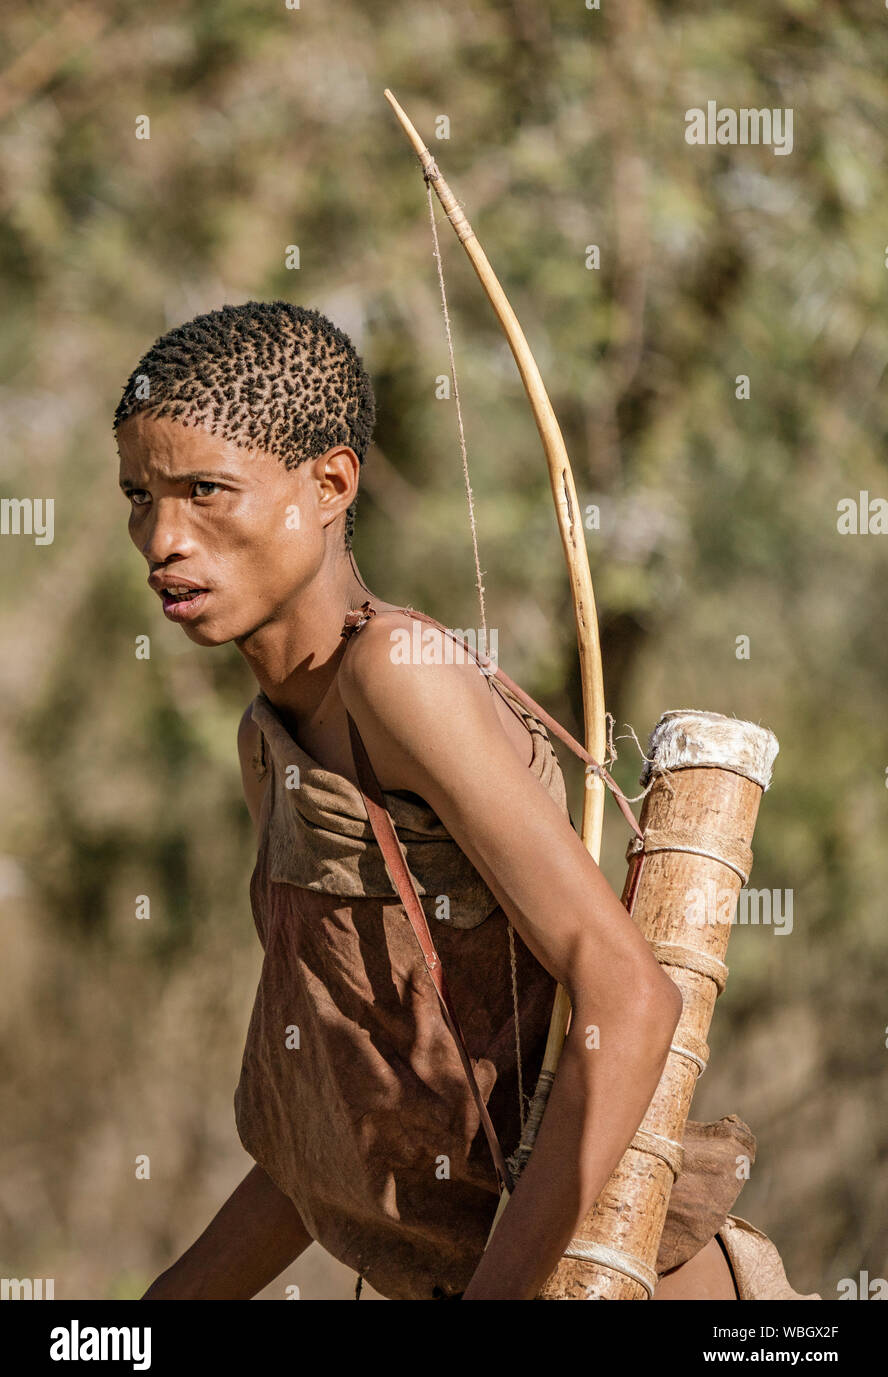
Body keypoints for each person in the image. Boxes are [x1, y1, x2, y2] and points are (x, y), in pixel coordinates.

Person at [115, 300, 807, 1301]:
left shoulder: (397, 671)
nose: (162, 538)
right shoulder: (266, 744)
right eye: (139, 494)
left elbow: (630, 994)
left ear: (330, 484)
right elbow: (337, 1134)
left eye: (205, 492)